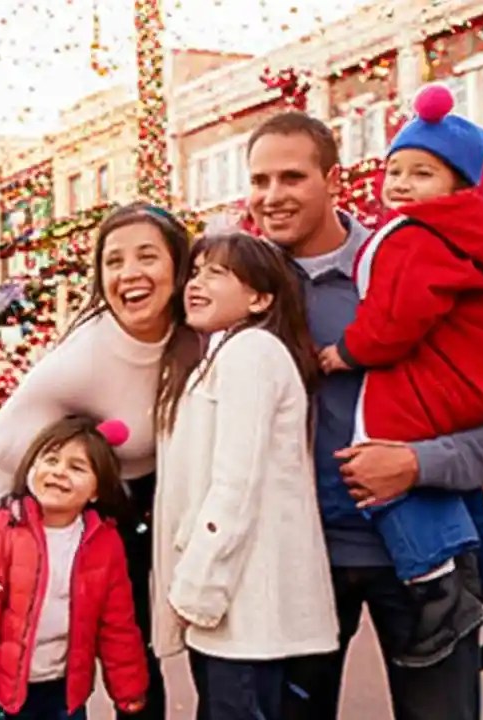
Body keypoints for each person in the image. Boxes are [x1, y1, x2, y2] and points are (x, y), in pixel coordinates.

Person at [244, 111, 483, 720]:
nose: (272, 197)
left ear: (333, 178)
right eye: (259, 180)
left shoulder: (411, 262)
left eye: (291, 177)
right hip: (297, 561)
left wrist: (416, 462)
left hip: (425, 556)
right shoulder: (240, 289)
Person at [317, 84, 483, 670]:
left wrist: (346, 351)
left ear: (457, 185)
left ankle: (438, 590)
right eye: (395, 169)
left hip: (451, 382)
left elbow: (397, 319)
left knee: (386, 457)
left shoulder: (418, 237)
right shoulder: (473, 229)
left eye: (422, 172)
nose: (400, 184)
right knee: (464, 497)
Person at [0, 202, 201, 720]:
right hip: (122, 506)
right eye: (113, 261)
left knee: (218, 649)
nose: (129, 274)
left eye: (147, 256)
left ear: (178, 267)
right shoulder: (83, 359)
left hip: (196, 504)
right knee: (133, 647)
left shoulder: (206, 331)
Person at [152, 233, 337, 719]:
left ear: (260, 298)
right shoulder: (222, 355)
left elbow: (236, 483)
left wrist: (198, 587)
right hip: (233, 606)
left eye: (217, 272)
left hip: (240, 604)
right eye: (195, 271)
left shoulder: (251, 352)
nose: (196, 282)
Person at [0, 416, 148, 720]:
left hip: (64, 694)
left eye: (76, 467)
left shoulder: (104, 544)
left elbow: (117, 624)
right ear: (31, 470)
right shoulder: (3, 530)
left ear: (96, 491)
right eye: (51, 459)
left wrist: (128, 688)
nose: (59, 472)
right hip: (7, 695)